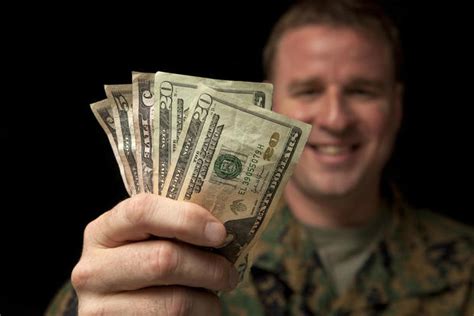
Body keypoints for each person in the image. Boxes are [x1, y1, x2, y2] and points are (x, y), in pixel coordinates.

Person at [47, 0, 474, 314]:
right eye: (308, 90)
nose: (335, 118)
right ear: (269, 108)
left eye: (362, 91)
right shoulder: (172, 255)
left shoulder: (467, 264)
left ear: (397, 106)